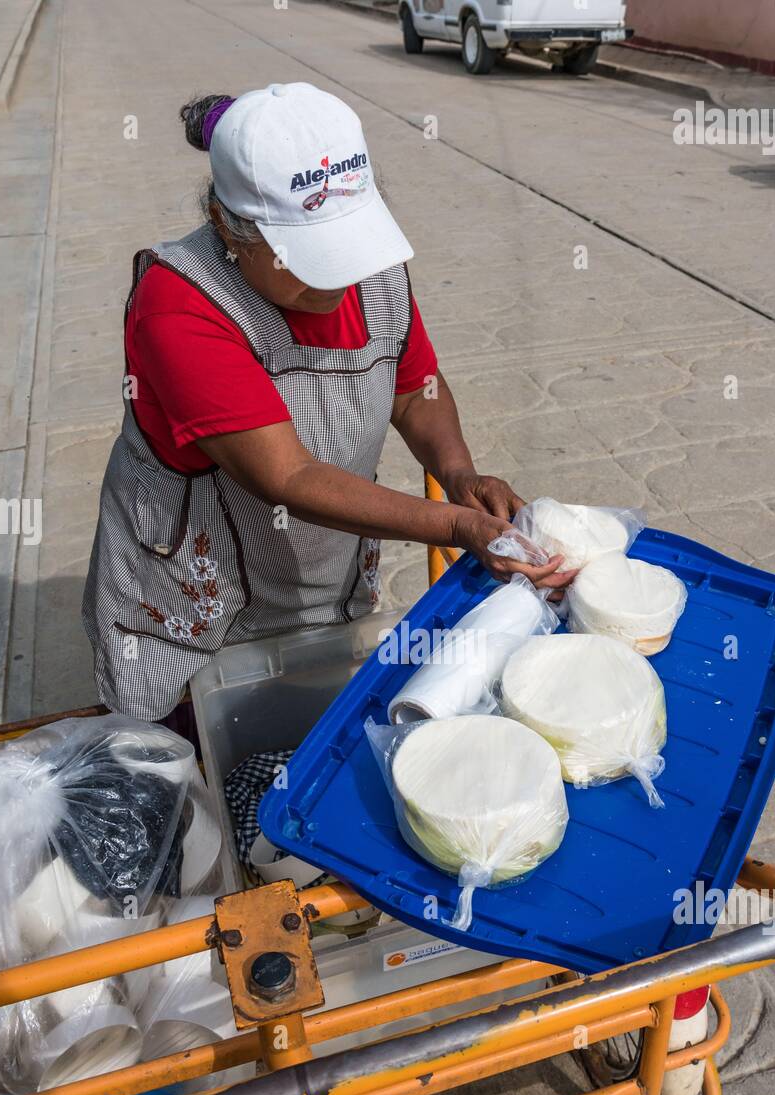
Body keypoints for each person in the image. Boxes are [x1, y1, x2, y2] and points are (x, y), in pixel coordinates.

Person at [82, 82, 573, 722]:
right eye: (306, 257)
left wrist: (459, 475)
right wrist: (456, 526)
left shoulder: (372, 268)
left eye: (347, 246)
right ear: (233, 229)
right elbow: (287, 476)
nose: (336, 278)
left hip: (319, 565)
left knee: (307, 717)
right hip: (189, 592)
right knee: (189, 753)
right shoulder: (180, 303)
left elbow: (413, 385)